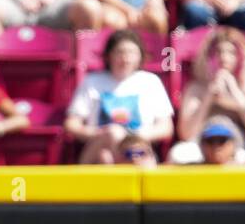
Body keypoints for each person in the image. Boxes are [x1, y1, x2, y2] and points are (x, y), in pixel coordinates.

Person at [64, 28, 174, 163]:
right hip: (98, 146)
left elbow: (165, 127)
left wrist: (136, 135)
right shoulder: (92, 81)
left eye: (131, 53)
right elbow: (72, 124)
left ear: (140, 56)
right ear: (109, 55)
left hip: (138, 146)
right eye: (120, 52)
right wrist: (99, 134)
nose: (126, 58)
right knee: (108, 146)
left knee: (114, 156)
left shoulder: (151, 82)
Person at [175, 26, 245, 144]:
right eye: (218, 52)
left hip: (238, 147)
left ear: (241, 57)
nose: (224, 58)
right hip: (201, 143)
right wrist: (208, 96)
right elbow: (186, 134)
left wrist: (235, 94)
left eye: (231, 53)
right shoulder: (196, 88)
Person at [169, 115, 245, 163]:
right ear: (201, 145)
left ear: (233, 144)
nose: (216, 146)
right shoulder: (191, 172)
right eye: (210, 141)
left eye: (222, 140)